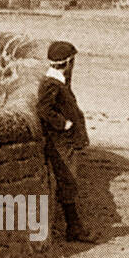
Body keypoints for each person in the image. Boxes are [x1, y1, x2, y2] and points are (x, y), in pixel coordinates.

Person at [36, 41, 93, 243]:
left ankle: (74, 226)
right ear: (68, 63)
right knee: (68, 182)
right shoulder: (51, 84)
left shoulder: (58, 81)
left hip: (65, 142)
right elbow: (43, 109)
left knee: (69, 182)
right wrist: (64, 124)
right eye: (72, 61)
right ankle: (74, 228)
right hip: (61, 142)